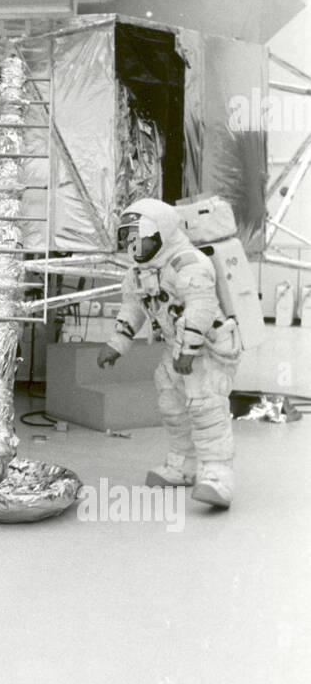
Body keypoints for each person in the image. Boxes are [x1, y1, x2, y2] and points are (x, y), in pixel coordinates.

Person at [97, 198, 241, 509]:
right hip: (178, 347)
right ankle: (182, 465)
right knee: (171, 401)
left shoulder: (189, 263)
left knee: (205, 405)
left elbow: (201, 308)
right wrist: (116, 344)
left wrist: (189, 349)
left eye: (140, 237)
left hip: (210, 346)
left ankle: (218, 475)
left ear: (162, 232)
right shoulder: (138, 272)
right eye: (129, 238)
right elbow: (133, 307)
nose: (134, 245)